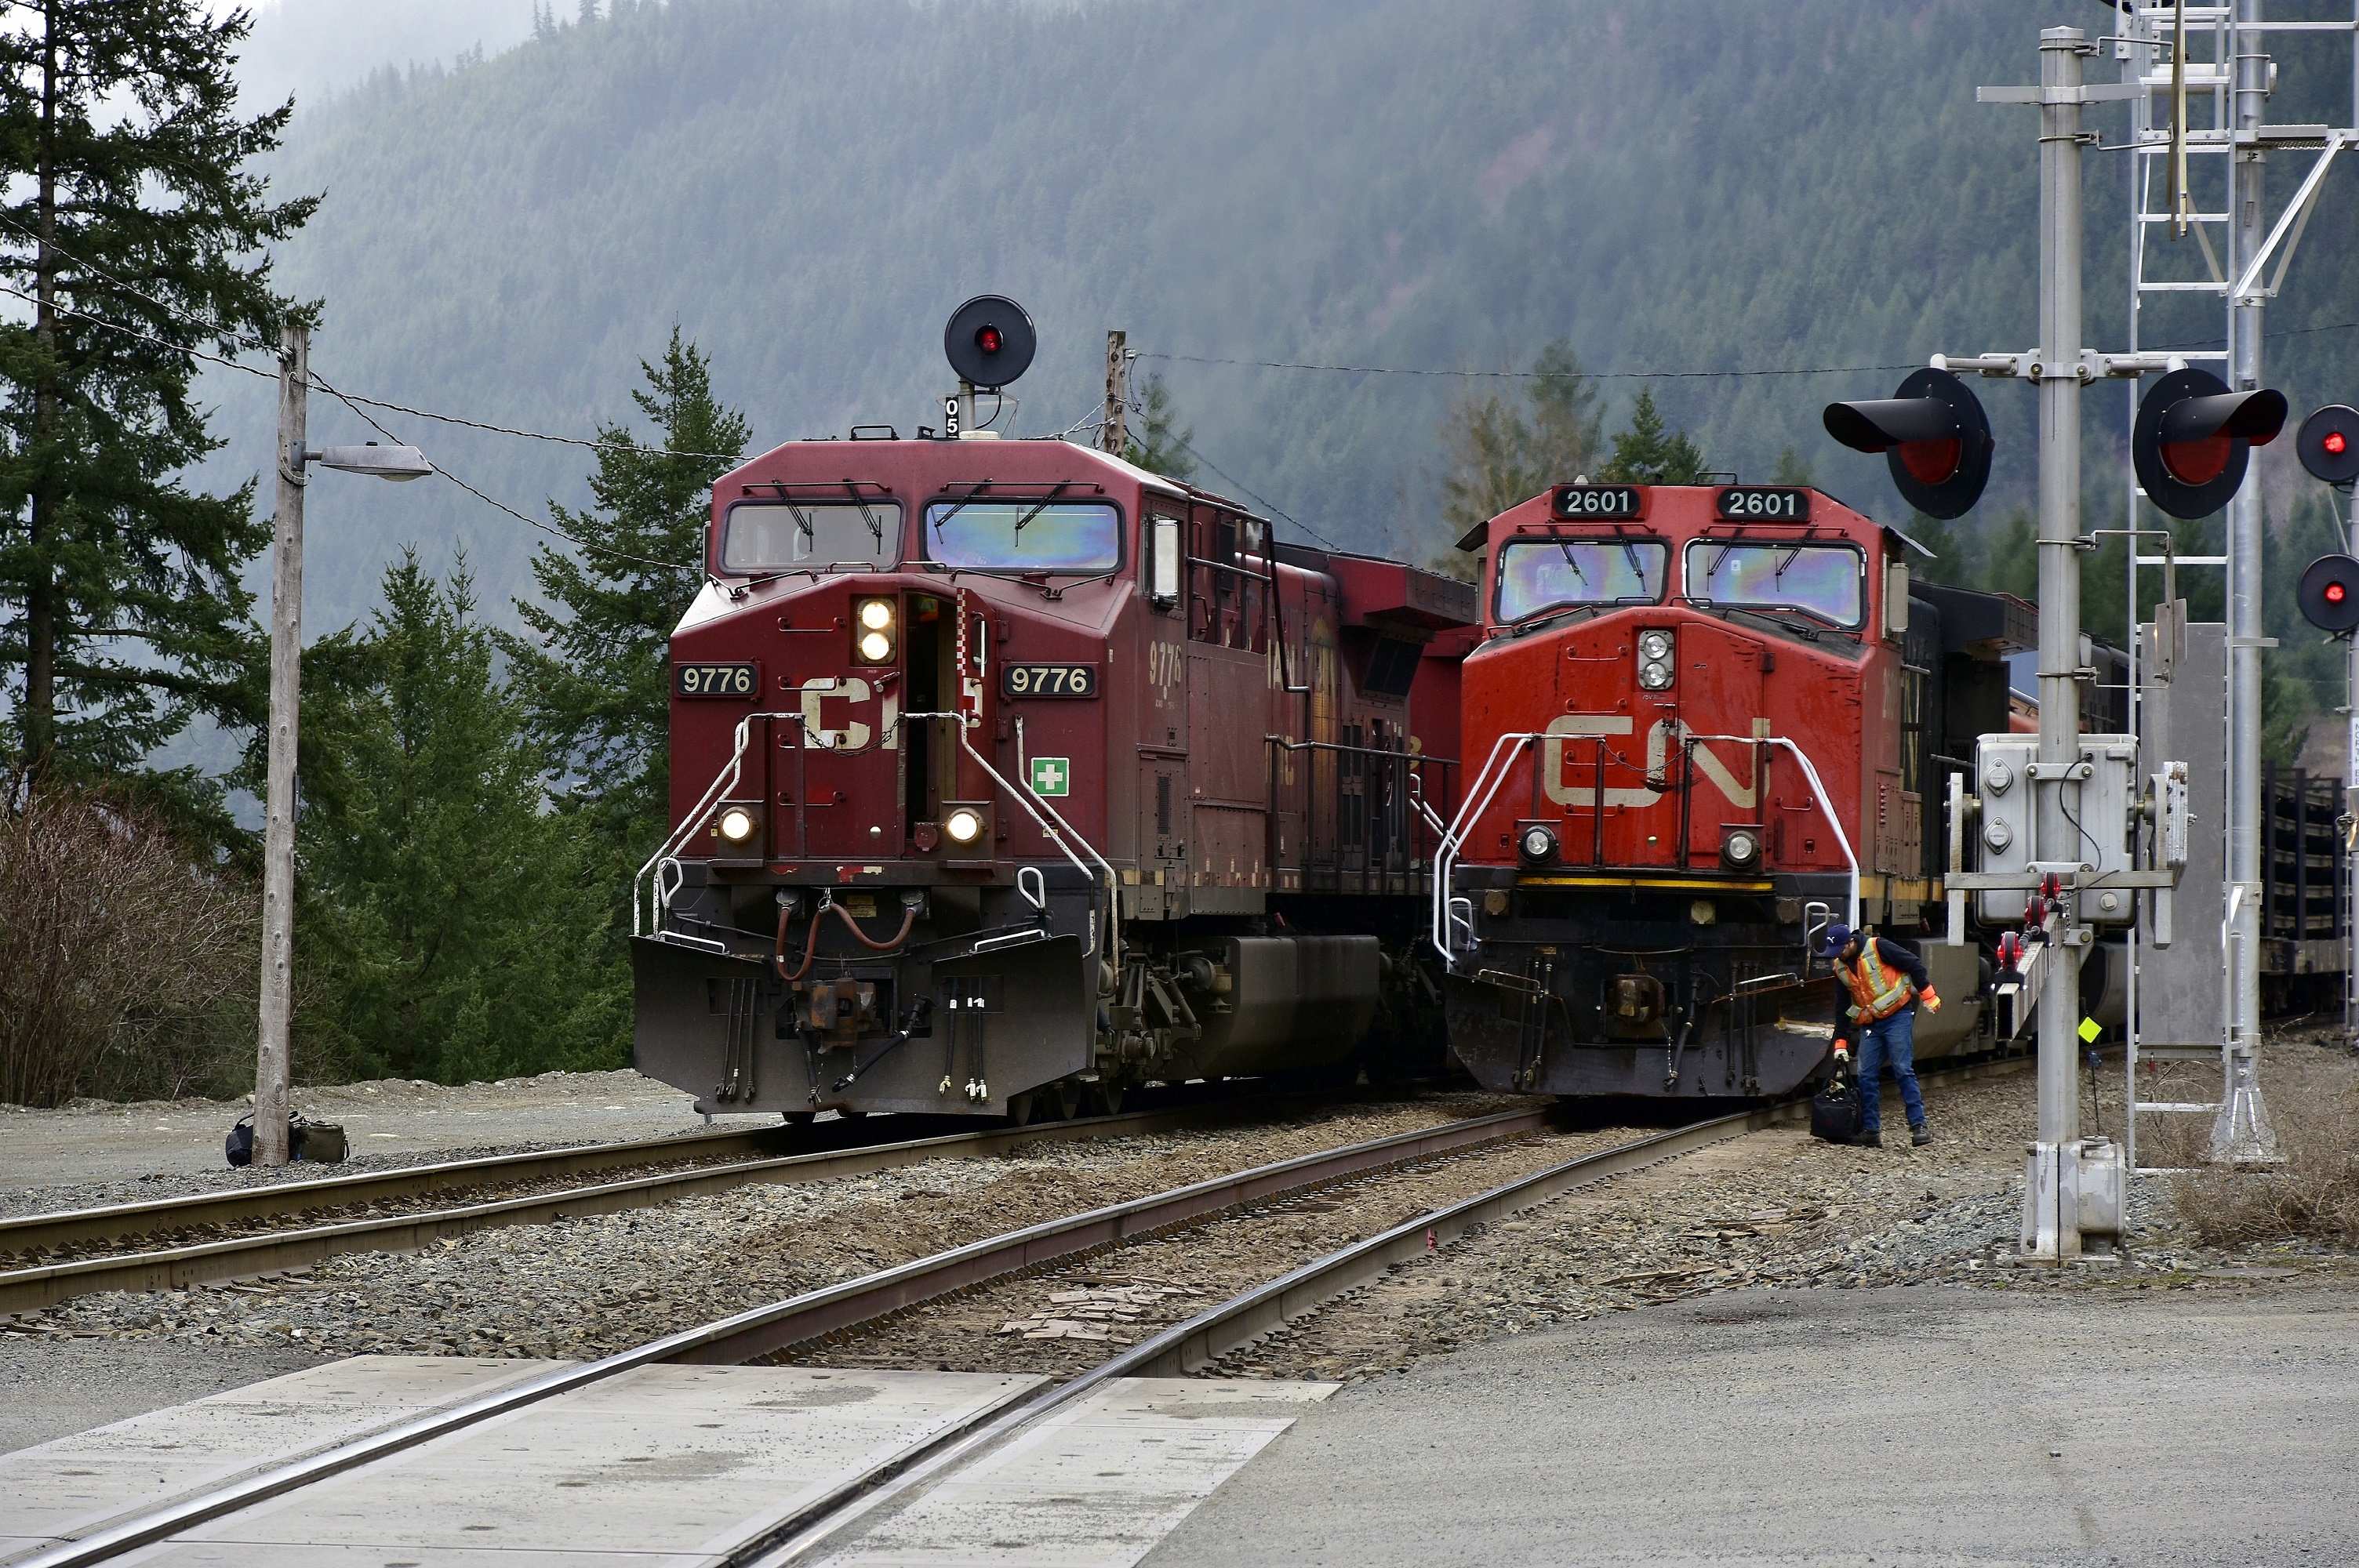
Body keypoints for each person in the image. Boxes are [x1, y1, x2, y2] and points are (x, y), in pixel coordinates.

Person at [1816, 924, 1940, 1149]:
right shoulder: (1840, 968)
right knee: (1865, 1074)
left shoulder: (1878, 946)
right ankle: (1871, 1131)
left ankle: (1919, 1127)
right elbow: (1842, 1006)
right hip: (1872, 1022)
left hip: (1897, 1016)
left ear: (1851, 943)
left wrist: (1927, 995)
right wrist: (1841, 1044)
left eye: (1841, 951)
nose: (1839, 956)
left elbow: (1913, 964)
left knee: (1902, 1069)